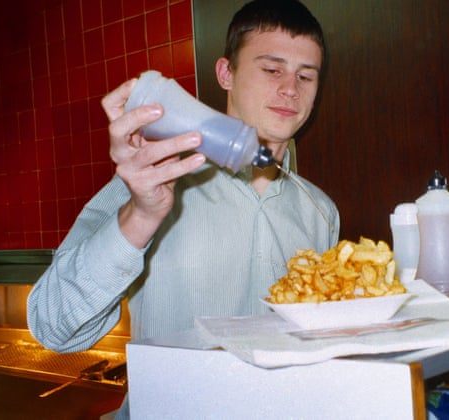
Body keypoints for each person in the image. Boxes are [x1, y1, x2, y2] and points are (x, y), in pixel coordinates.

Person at [27, 0, 338, 417]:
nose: (290, 89)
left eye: (306, 76)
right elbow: (54, 329)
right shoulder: (150, 182)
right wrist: (141, 216)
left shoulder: (321, 211)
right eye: (271, 69)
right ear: (226, 73)